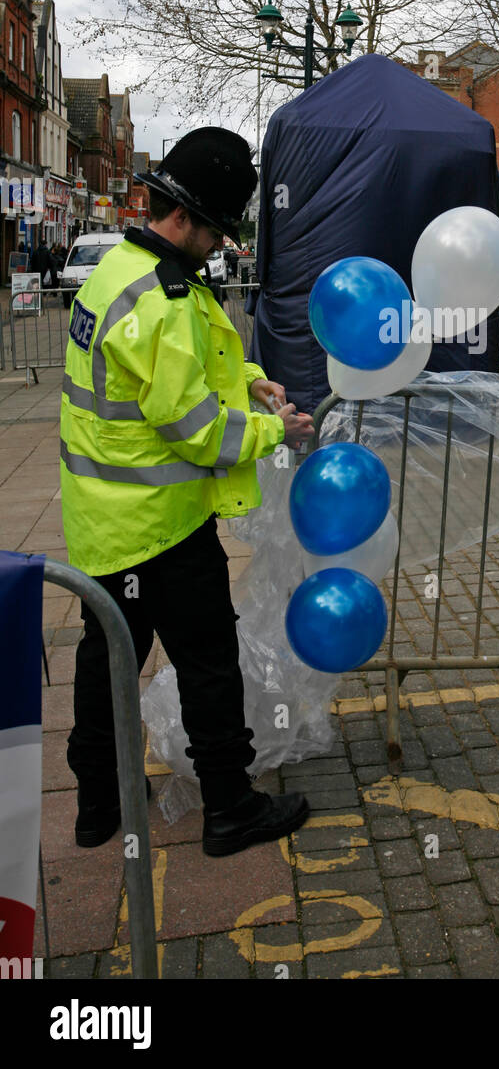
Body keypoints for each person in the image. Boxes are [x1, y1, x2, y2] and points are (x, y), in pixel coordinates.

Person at [62, 128, 316, 856]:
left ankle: (98, 803)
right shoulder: (168, 301)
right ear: (189, 218)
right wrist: (278, 431)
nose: (218, 246)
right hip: (163, 527)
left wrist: (248, 380)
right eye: (217, 231)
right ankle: (231, 808)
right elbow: (196, 430)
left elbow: (164, 379)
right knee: (209, 665)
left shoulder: (118, 272)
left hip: (102, 523)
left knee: (106, 658)